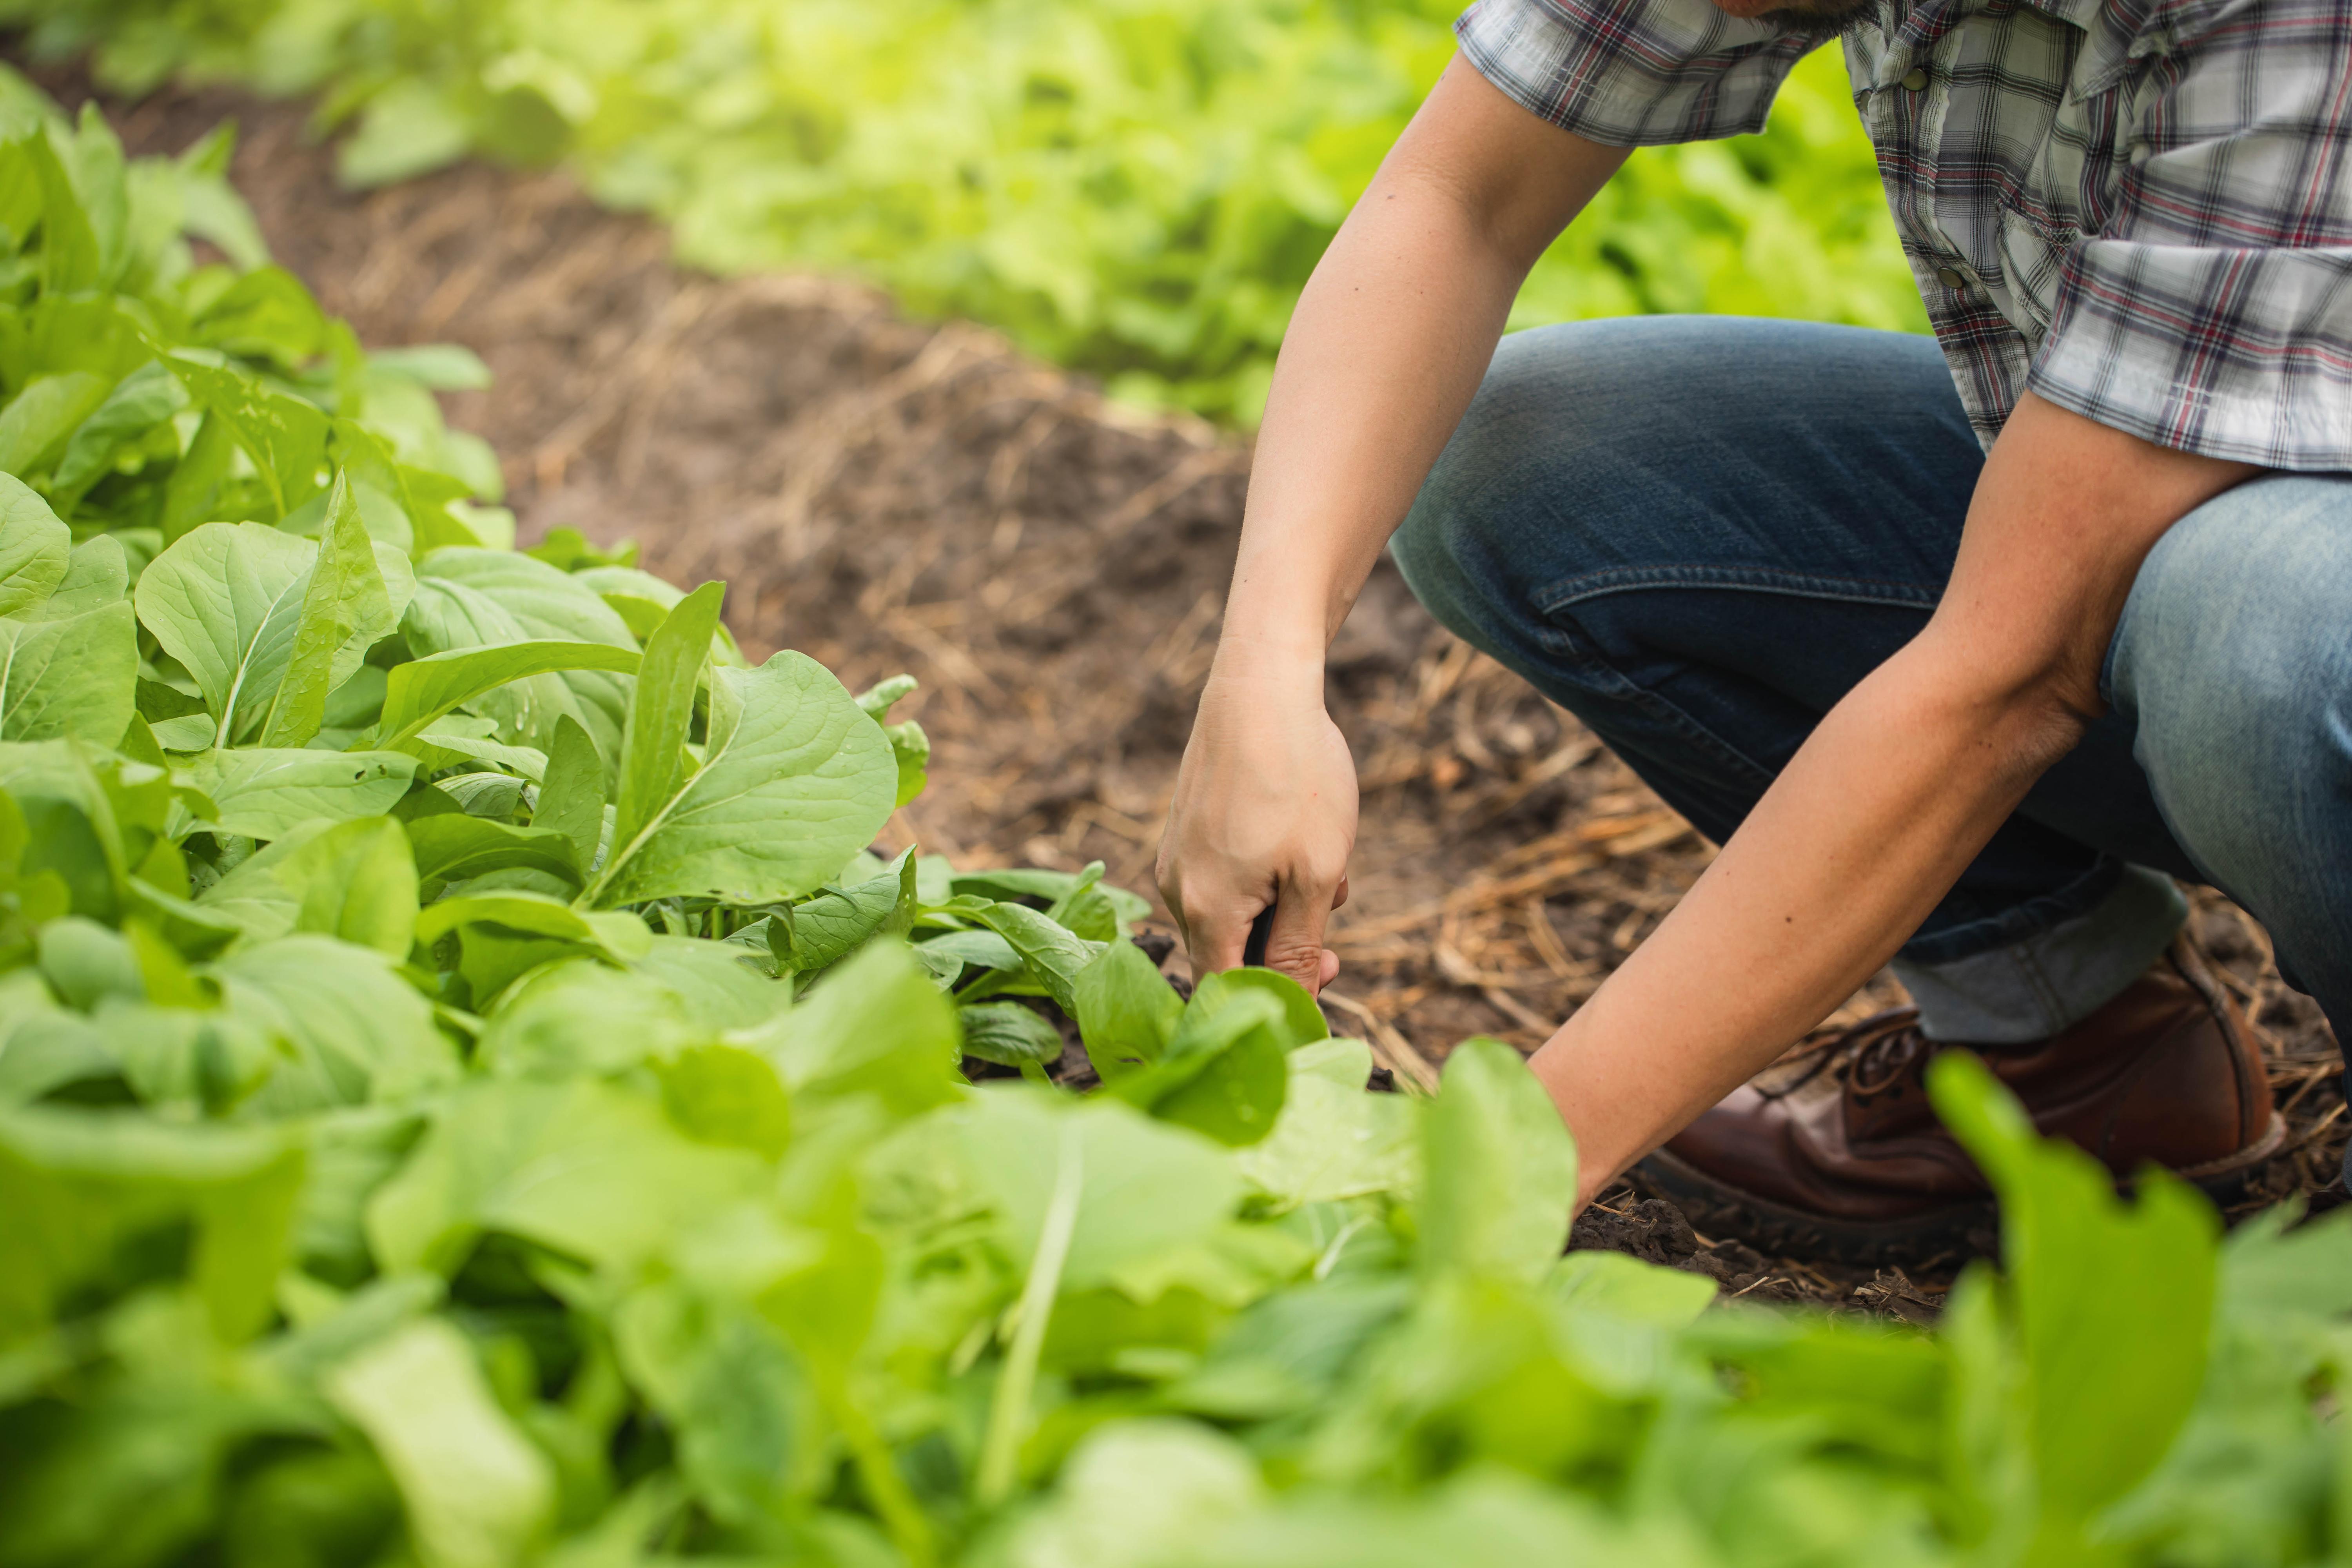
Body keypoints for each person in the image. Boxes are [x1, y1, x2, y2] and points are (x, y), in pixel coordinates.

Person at [1154, 0, 2352, 1261]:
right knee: (1531, 463)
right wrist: (1265, 672)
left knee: (2262, 645)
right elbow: (1460, 199)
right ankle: (2075, 1047)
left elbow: (2001, 681)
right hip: (2125, 490)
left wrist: (1477, 1185)